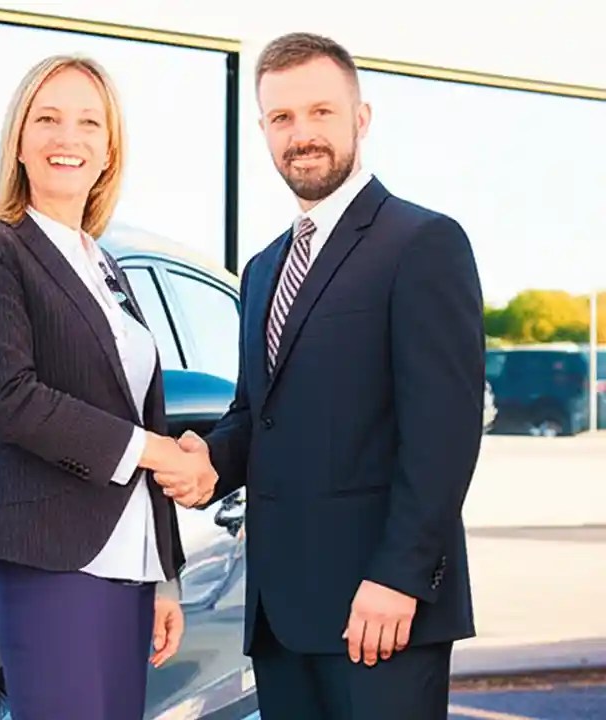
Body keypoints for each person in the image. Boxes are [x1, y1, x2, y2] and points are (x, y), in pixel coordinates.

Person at [160, 32, 486, 719]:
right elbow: (258, 415)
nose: (301, 135)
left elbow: (444, 435)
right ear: (263, 130)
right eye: (281, 118)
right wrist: (209, 459)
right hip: (281, 613)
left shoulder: (423, 243)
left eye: (320, 112)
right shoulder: (262, 269)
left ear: (360, 119)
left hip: (381, 612)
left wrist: (399, 578)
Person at [0, 54, 217, 720]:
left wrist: (166, 576)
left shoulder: (106, 265)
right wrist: (158, 452)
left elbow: (134, 402)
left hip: (130, 561)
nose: (69, 138)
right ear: (20, 141)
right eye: (49, 119)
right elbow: (10, 399)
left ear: (108, 150)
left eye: (89, 123)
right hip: (48, 554)